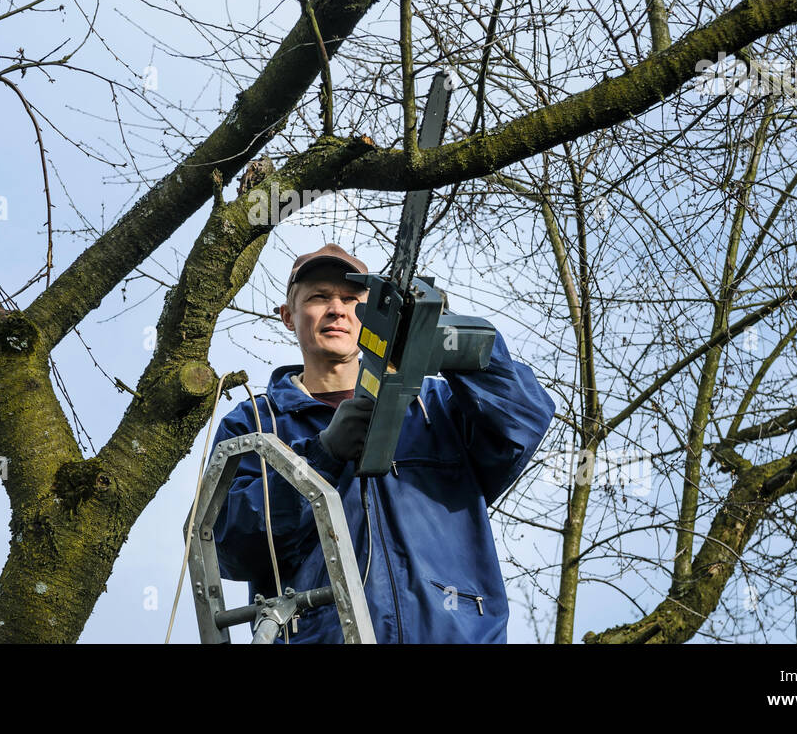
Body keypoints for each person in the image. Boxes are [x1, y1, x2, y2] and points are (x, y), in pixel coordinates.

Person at [210, 242, 557, 643]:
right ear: (288, 316)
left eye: (351, 299)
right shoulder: (256, 424)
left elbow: (524, 417)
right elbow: (228, 543)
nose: (337, 310)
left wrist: (445, 333)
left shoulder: (434, 406)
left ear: (373, 316)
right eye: (319, 297)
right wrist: (320, 457)